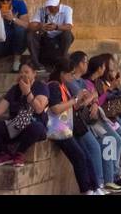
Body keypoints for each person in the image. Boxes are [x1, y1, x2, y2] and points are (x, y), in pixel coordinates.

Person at [41, 58, 104, 194]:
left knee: (85, 155)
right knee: (79, 157)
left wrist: (82, 99)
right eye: (70, 74)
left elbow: (72, 106)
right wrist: (75, 99)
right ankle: (86, 189)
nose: (71, 77)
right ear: (62, 73)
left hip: (67, 127)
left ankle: (95, 186)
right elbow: (56, 108)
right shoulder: (54, 85)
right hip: (58, 130)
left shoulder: (63, 85)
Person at [66, 51, 121, 192]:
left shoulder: (84, 82)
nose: (86, 64)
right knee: (101, 145)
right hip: (82, 121)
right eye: (84, 62)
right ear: (77, 64)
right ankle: (101, 182)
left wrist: (94, 101)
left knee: (112, 140)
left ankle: (110, 178)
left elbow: (93, 99)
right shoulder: (76, 81)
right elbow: (84, 100)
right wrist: (95, 97)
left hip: (94, 118)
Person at [0, 59, 48, 168]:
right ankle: (5, 153)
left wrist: (28, 92)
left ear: (34, 74)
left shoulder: (41, 87)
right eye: (21, 72)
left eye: (26, 72)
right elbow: (0, 108)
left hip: (31, 127)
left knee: (37, 127)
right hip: (14, 126)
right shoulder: (15, 89)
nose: (23, 75)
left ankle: (19, 153)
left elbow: (39, 109)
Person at [87, 53, 121, 182]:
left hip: (109, 116)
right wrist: (109, 89)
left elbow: (100, 98)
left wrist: (112, 88)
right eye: (107, 65)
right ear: (100, 68)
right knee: (117, 140)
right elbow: (100, 99)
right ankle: (114, 175)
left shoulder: (99, 81)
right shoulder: (91, 83)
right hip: (98, 120)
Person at [27, 0, 74, 72]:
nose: (52, 8)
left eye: (54, 5)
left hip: (59, 39)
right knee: (31, 34)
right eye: (50, 6)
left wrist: (56, 27)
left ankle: (62, 59)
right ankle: (36, 63)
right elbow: (31, 25)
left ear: (60, 2)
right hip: (45, 39)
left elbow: (69, 26)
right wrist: (40, 26)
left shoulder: (67, 10)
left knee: (68, 34)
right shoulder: (41, 10)